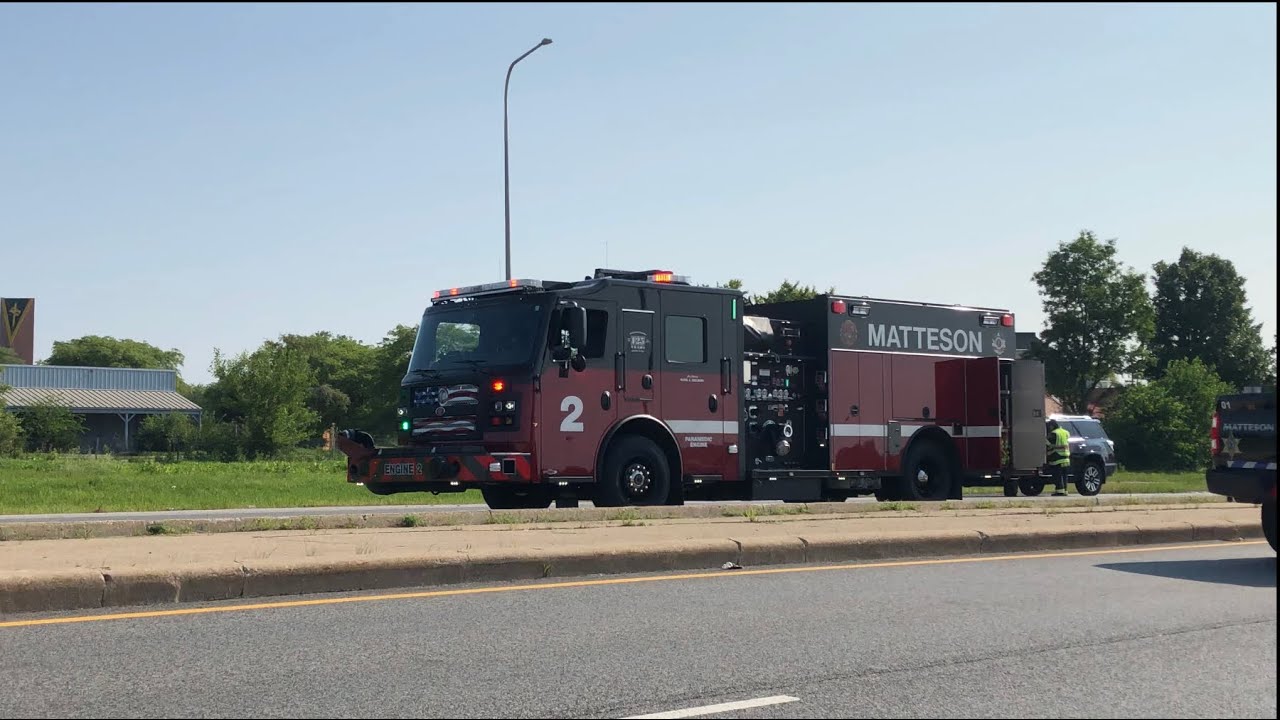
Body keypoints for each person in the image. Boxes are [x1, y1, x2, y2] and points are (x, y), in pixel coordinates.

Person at [1046, 419, 1072, 496]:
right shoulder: (1065, 432)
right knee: (1064, 475)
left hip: (1057, 458)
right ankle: (1065, 490)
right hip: (1066, 457)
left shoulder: (1054, 433)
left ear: (1052, 426)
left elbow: (1047, 443)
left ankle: (1060, 491)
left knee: (1057, 475)